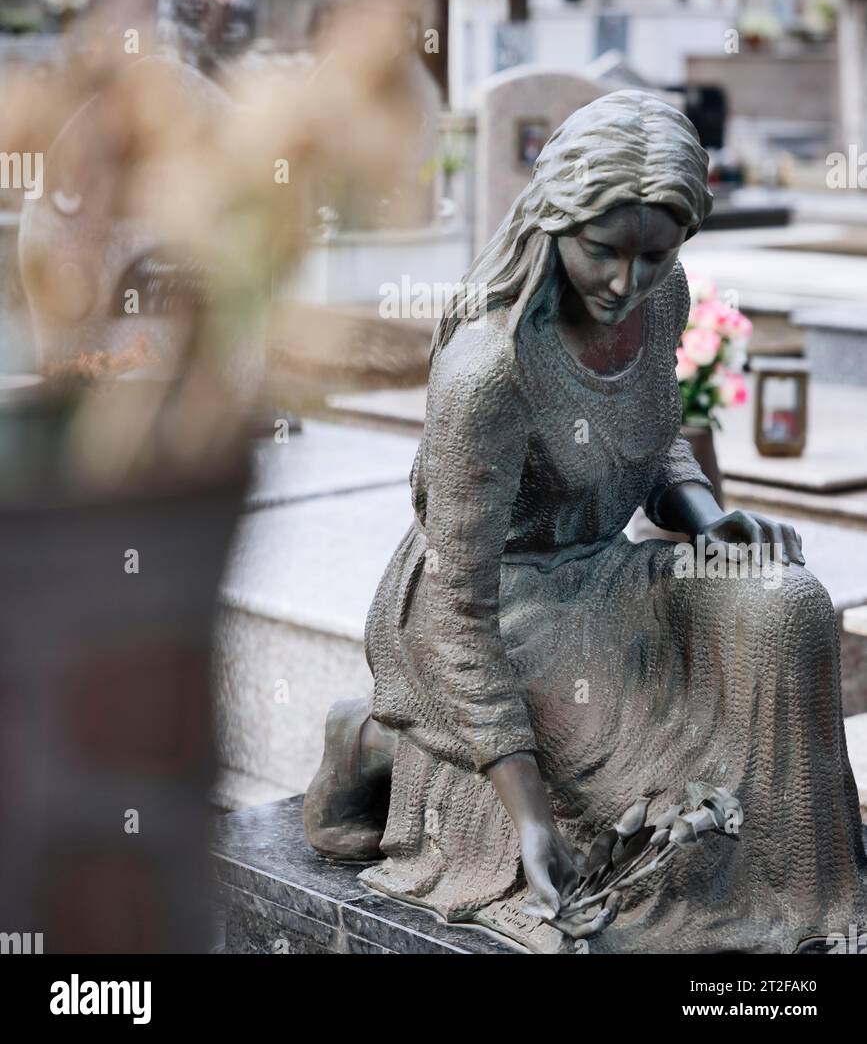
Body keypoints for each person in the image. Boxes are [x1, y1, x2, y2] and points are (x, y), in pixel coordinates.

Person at [304, 89, 867, 953]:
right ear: (550, 220)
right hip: (498, 601)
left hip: (607, 571)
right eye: (602, 252)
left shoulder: (659, 296)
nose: (624, 283)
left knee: (783, 606)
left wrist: (708, 519)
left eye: (653, 257)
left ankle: (798, 893)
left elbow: (653, 433)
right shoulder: (489, 369)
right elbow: (460, 607)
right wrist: (528, 816)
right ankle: (382, 743)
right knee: (650, 797)